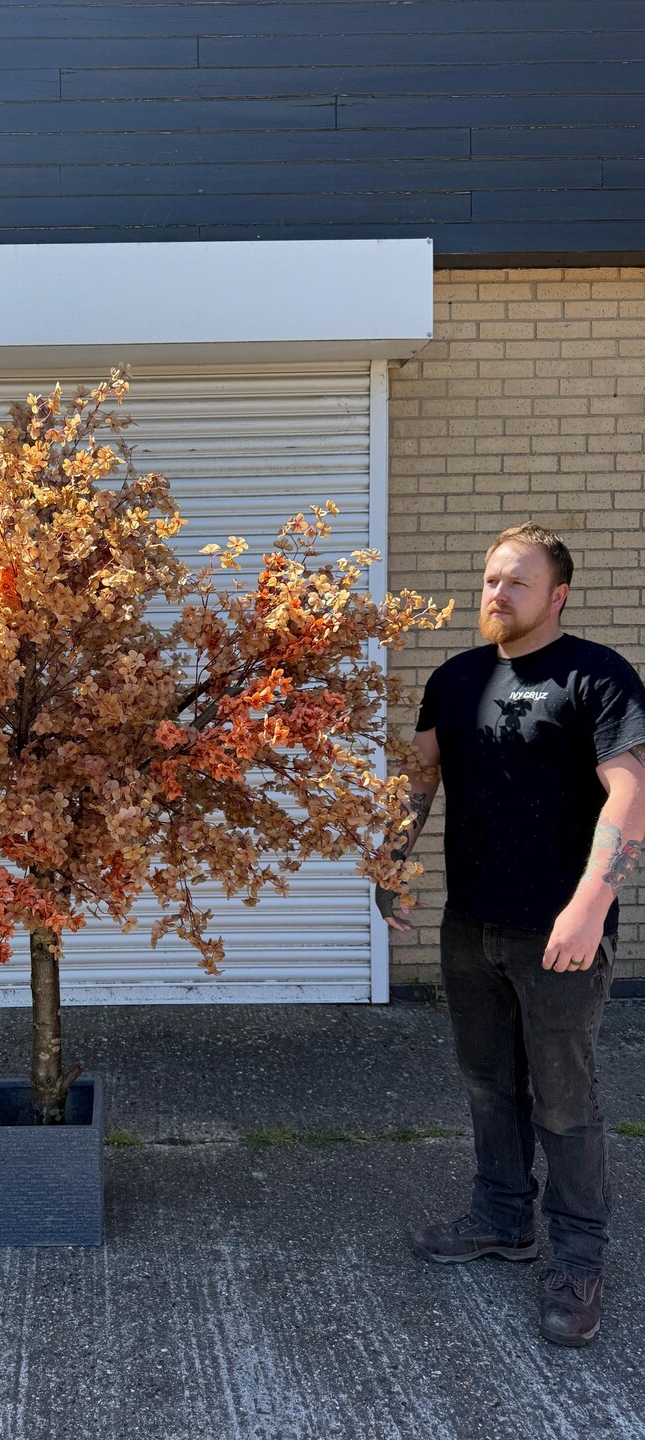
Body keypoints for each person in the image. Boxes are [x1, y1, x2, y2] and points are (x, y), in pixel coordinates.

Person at [377, 522, 645, 1348]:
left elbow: (630, 791)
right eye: (492, 579)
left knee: (565, 1103)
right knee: (489, 1084)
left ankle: (578, 1260)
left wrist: (591, 902)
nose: (498, 593)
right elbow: (421, 773)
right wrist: (391, 862)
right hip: (471, 926)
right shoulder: (455, 678)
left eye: (517, 582)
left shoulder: (596, 676)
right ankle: (502, 1220)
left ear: (557, 595)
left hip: (560, 932)